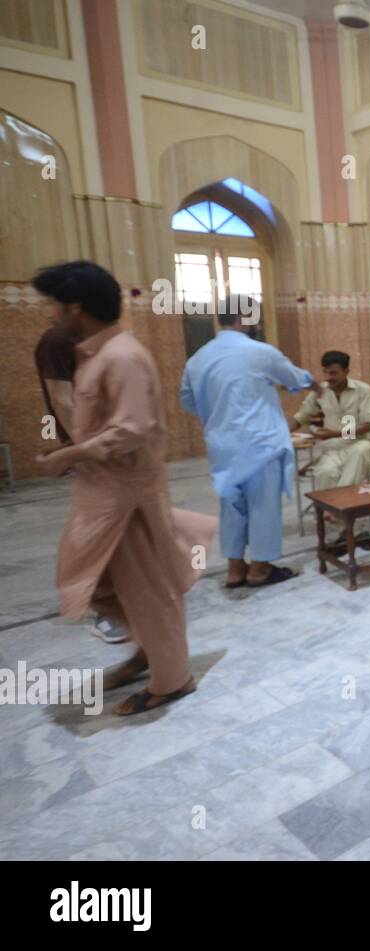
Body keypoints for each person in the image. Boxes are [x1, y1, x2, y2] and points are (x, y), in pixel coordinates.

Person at [32, 261, 216, 715]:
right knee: (95, 579)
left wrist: (67, 455)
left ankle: (172, 680)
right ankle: (148, 652)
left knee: (148, 590)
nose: (50, 313)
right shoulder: (98, 355)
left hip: (127, 496)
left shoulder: (124, 356)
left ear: (75, 306)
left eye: (54, 303)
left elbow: (133, 428)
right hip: (105, 494)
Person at [181, 294, 315, 588]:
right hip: (259, 443)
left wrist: (220, 414)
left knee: (232, 506)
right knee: (263, 506)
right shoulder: (260, 352)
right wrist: (311, 381)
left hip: (222, 445)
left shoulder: (197, 359)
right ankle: (259, 569)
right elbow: (294, 378)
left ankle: (234, 569)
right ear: (245, 318)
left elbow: (189, 401)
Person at [34, 323, 129, 644]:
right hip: (98, 454)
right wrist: (89, 451)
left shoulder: (102, 339)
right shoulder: (58, 341)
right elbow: (63, 402)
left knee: (126, 528)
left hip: (117, 449)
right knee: (100, 532)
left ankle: (132, 601)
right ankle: (112, 613)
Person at [289, 351, 370, 490]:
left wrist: (334, 433)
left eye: (333, 373)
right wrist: (280, 433)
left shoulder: (363, 390)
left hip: (360, 443)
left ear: (346, 371)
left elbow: (367, 426)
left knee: (360, 451)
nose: (328, 378)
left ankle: (336, 507)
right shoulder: (320, 391)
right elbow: (300, 418)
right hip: (332, 450)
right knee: (326, 471)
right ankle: (335, 508)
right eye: (325, 372)